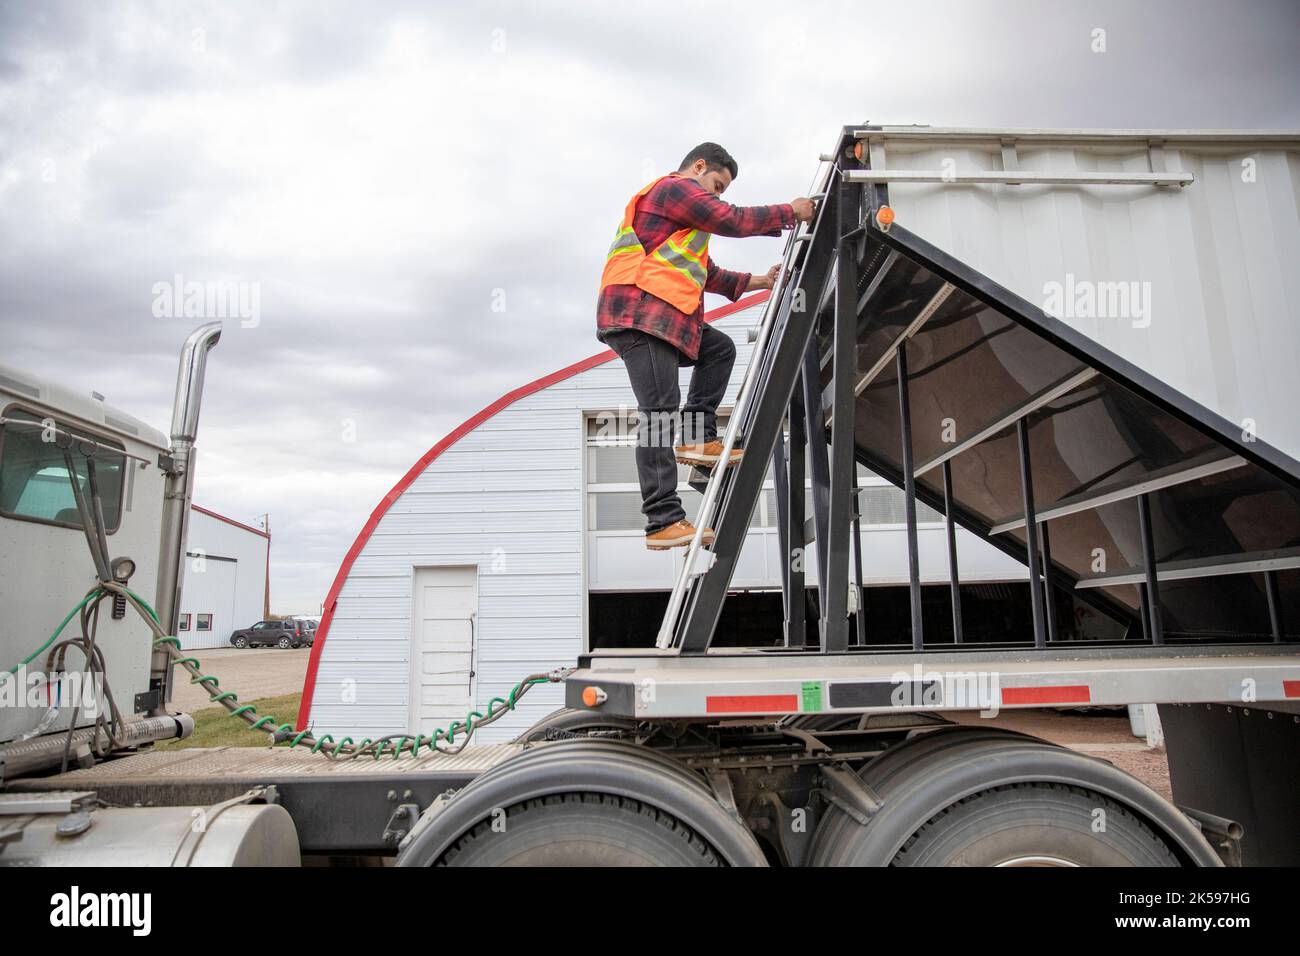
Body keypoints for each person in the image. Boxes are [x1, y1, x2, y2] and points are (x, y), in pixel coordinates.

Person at [596, 142, 817, 549]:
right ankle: (662, 519)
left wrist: (763, 282)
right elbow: (728, 219)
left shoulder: (679, 225)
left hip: (663, 319)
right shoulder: (673, 189)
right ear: (698, 167)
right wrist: (790, 212)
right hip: (639, 316)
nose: (715, 196)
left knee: (718, 349)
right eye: (716, 184)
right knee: (659, 412)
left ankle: (697, 437)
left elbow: (707, 274)